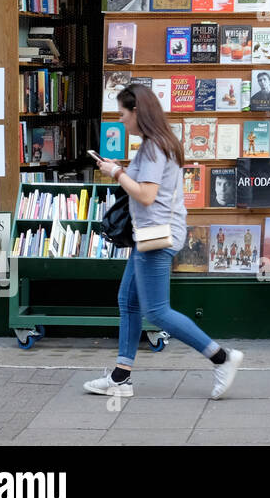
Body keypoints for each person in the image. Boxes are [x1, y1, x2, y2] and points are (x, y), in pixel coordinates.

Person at [85, 83, 243, 400]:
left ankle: (221, 358)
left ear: (137, 113)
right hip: (149, 234)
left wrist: (115, 172)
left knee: (157, 311)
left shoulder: (154, 148)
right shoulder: (153, 145)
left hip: (157, 236)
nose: (121, 120)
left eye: (123, 113)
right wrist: (117, 169)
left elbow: (146, 194)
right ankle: (120, 377)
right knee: (128, 302)